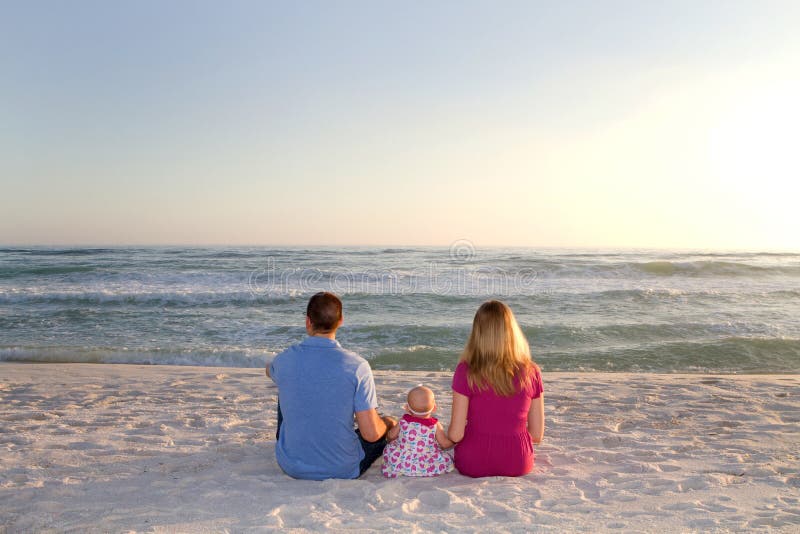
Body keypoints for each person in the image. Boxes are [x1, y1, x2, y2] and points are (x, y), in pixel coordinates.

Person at [266, 292, 396, 480]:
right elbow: (370, 434)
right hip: (342, 468)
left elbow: (269, 370)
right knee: (384, 425)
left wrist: (277, 369)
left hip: (291, 464)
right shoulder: (357, 366)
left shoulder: (284, 360)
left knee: (286, 380)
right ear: (341, 321)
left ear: (308, 322)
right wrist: (387, 423)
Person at [446, 300, 544, 477]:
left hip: (473, 462)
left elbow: (455, 435)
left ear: (477, 333)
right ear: (512, 331)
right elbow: (537, 434)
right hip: (518, 462)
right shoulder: (532, 371)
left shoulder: (466, 371)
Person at [381, 385, 454, 478]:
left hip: (403, 461)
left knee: (391, 448)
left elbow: (391, 436)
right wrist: (453, 441)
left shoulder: (403, 421)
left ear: (407, 408)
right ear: (435, 408)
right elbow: (444, 444)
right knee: (445, 458)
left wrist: (391, 437)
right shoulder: (434, 425)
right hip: (425, 463)